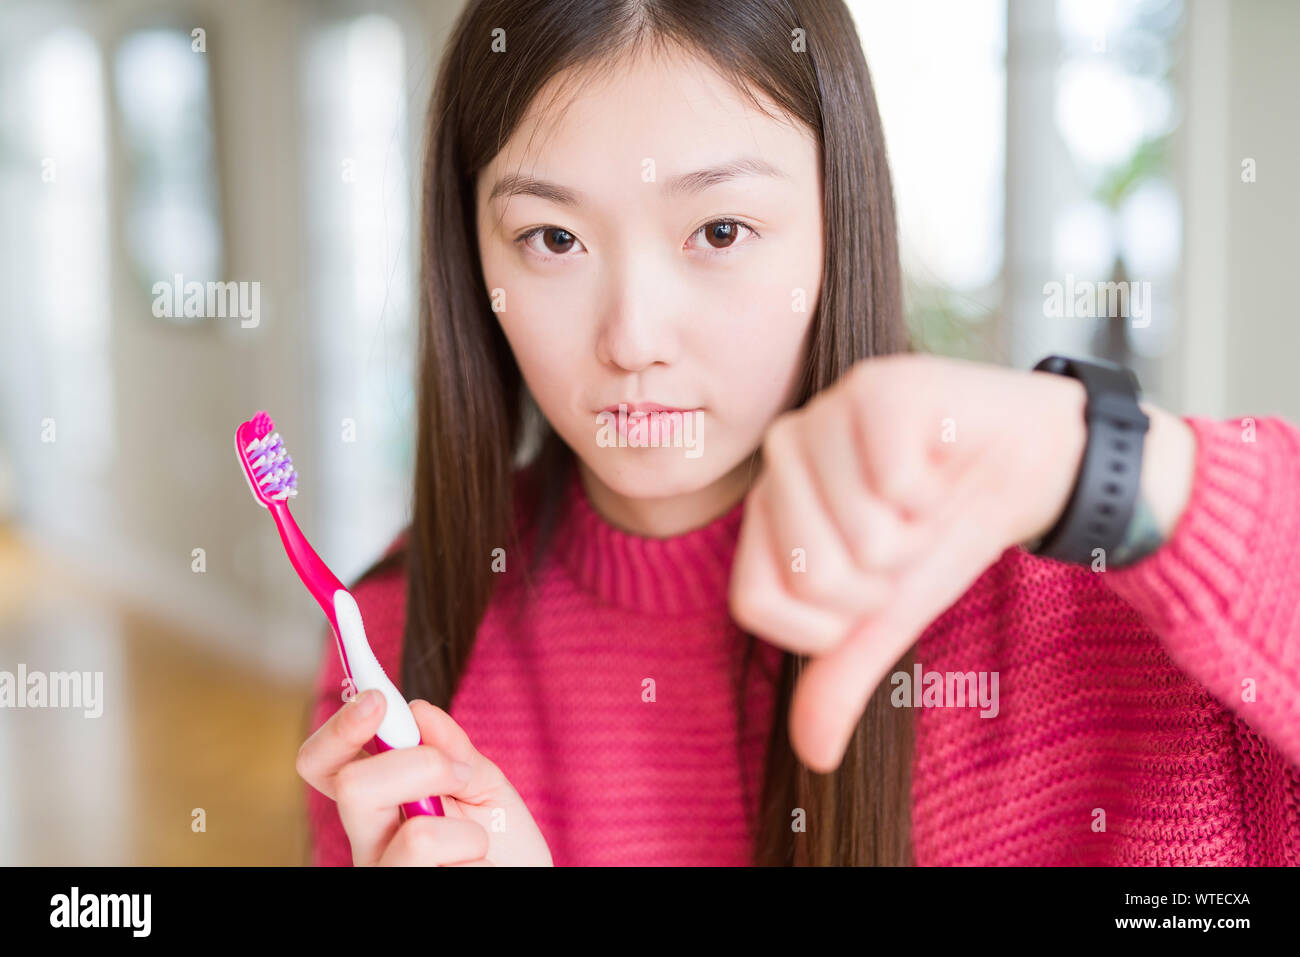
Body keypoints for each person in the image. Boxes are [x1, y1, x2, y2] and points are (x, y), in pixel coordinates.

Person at [296, 0, 1300, 866]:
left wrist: (1109, 468)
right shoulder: (393, 654)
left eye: (720, 232)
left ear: (837, 217)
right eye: (552, 239)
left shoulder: (1091, 600)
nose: (632, 337)